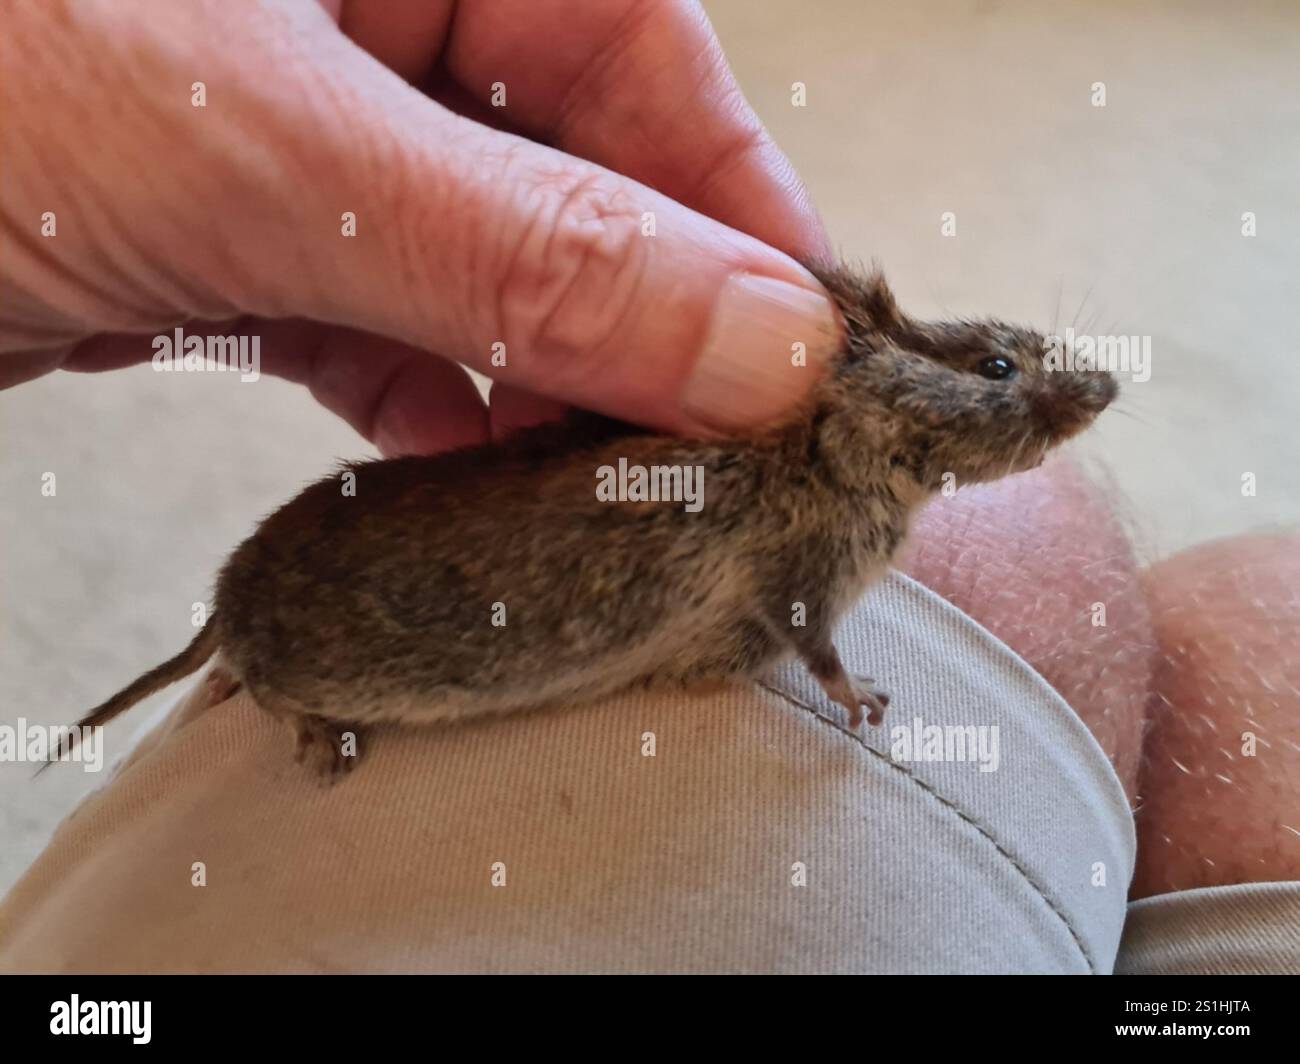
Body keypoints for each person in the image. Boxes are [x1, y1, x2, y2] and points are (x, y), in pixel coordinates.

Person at [1, 0, 1295, 973]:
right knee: (1244, 604)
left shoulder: (828, 457)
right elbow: (801, 614)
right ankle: (291, 686)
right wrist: (838, 686)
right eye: (1001, 372)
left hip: (322, 559)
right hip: (325, 618)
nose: (1039, 404)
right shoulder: (822, 470)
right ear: (873, 389)